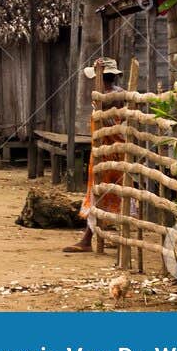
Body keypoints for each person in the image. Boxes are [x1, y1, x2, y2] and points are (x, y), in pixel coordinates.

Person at [65, 58, 124, 254]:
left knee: (98, 193)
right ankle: (106, 237)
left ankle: (87, 239)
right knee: (113, 193)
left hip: (109, 151)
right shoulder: (114, 94)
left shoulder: (109, 96)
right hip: (112, 150)